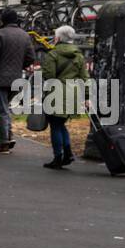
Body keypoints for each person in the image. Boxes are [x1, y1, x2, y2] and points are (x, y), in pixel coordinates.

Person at [0, 7, 35, 153]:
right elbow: (31, 58)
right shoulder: (24, 35)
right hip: (17, 79)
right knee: (6, 108)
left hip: (1, 79)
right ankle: (8, 136)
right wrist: (20, 66)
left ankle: (4, 143)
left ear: (3, 20)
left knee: (2, 110)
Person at [39, 25, 87, 170]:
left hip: (57, 93)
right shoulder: (79, 55)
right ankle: (68, 154)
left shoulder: (53, 54)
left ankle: (58, 157)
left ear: (58, 38)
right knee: (61, 124)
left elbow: (49, 76)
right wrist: (86, 96)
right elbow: (84, 77)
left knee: (55, 125)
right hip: (73, 94)